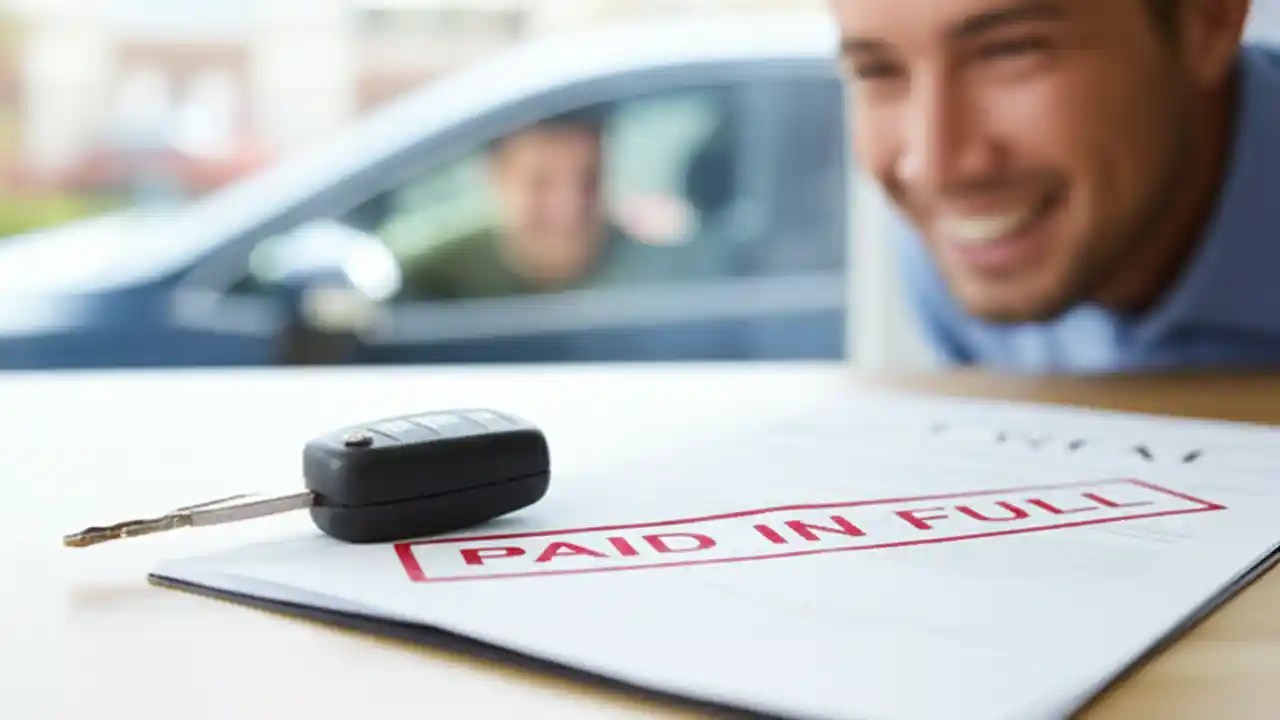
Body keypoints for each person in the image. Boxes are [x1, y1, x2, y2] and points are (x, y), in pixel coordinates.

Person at [831, 0, 1280, 372]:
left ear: (1209, 20)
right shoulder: (961, 245)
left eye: (1010, 50)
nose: (934, 168)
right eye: (877, 71)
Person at [402, 110, 653, 300]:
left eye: (589, 179)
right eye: (540, 184)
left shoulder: (653, 281)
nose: (568, 206)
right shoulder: (433, 272)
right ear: (494, 176)